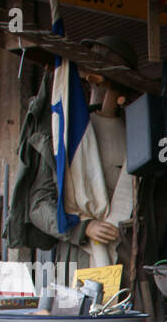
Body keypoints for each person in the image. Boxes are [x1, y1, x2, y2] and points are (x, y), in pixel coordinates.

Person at [25, 36, 138, 279]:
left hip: (127, 260)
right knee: (85, 314)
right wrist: (83, 227)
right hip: (81, 258)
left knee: (126, 316)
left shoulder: (139, 134)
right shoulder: (63, 135)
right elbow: (38, 206)